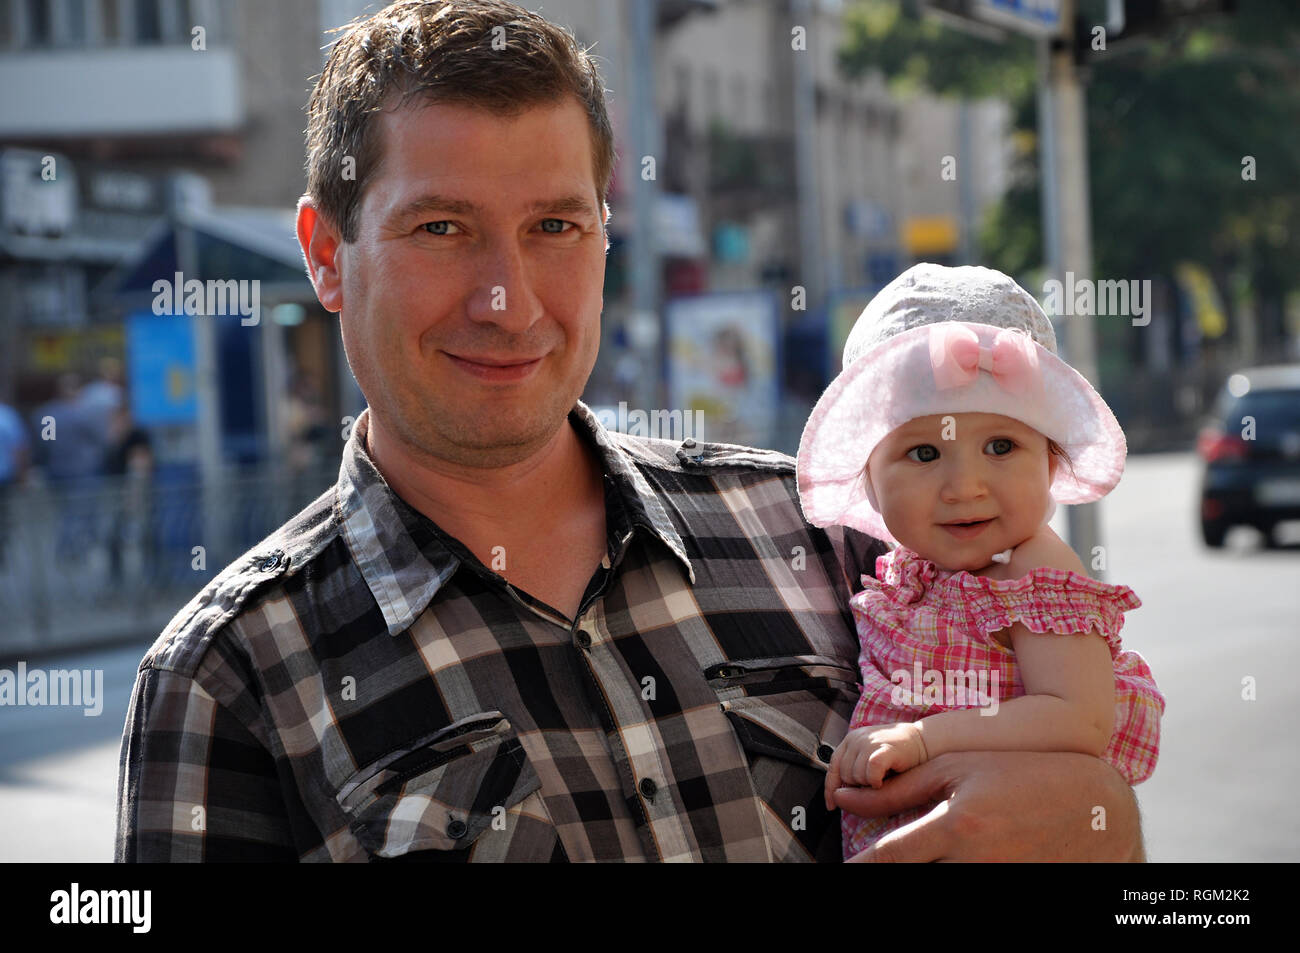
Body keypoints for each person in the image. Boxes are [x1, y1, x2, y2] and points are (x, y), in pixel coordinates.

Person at [115, 0, 1146, 862]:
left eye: (554, 226)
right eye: (442, 227)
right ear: (327, 253)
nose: (507, 300)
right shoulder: (227, 676)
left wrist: (1106, 829)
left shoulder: (829, 534)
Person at [796, 264, 1165, 859]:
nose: (964, 486)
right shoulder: (905, 578)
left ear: (1050, 461)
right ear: (868, 478)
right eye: (922, 453)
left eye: (1001, 447)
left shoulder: (1033, 569)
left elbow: (1077, 718)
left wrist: (922, 738)